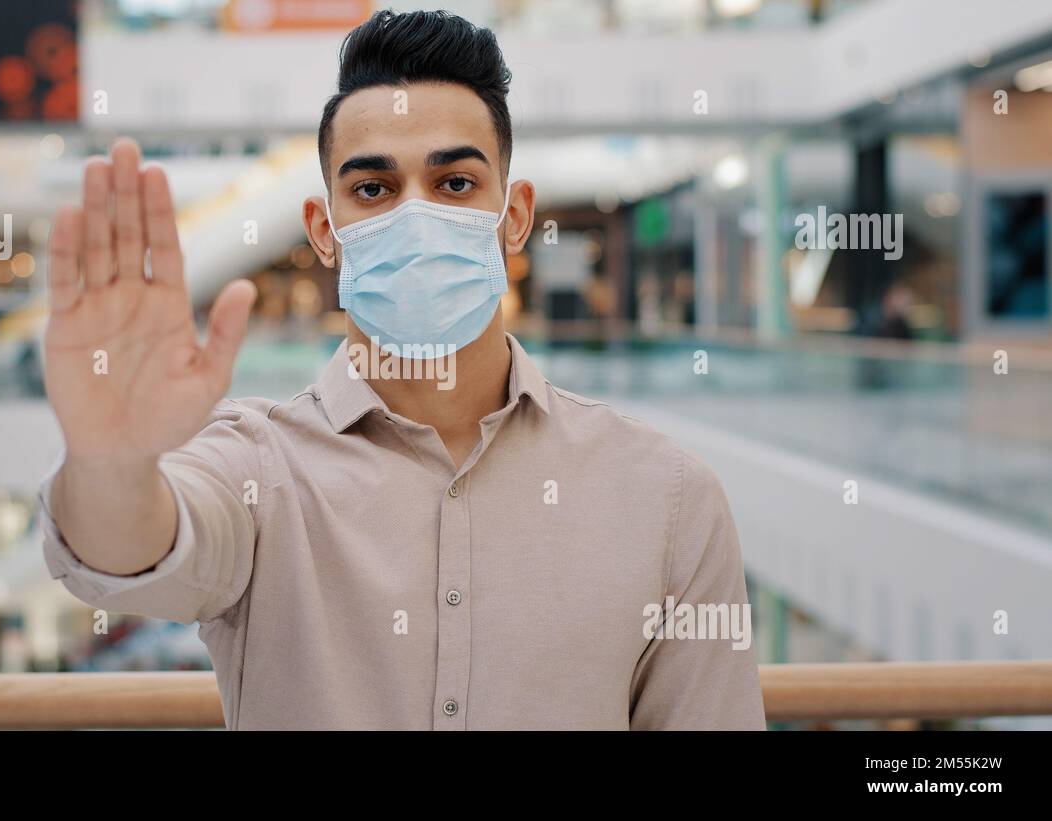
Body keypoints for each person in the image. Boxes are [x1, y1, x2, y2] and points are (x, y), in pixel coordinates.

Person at [38, 9, 764, 730]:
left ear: (515, 217)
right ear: (325, 231)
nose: (417, 216)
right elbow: (131, 549)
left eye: (454, 184)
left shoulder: (666, 499)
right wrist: (111, 463)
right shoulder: (259, 471)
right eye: (374, 190)